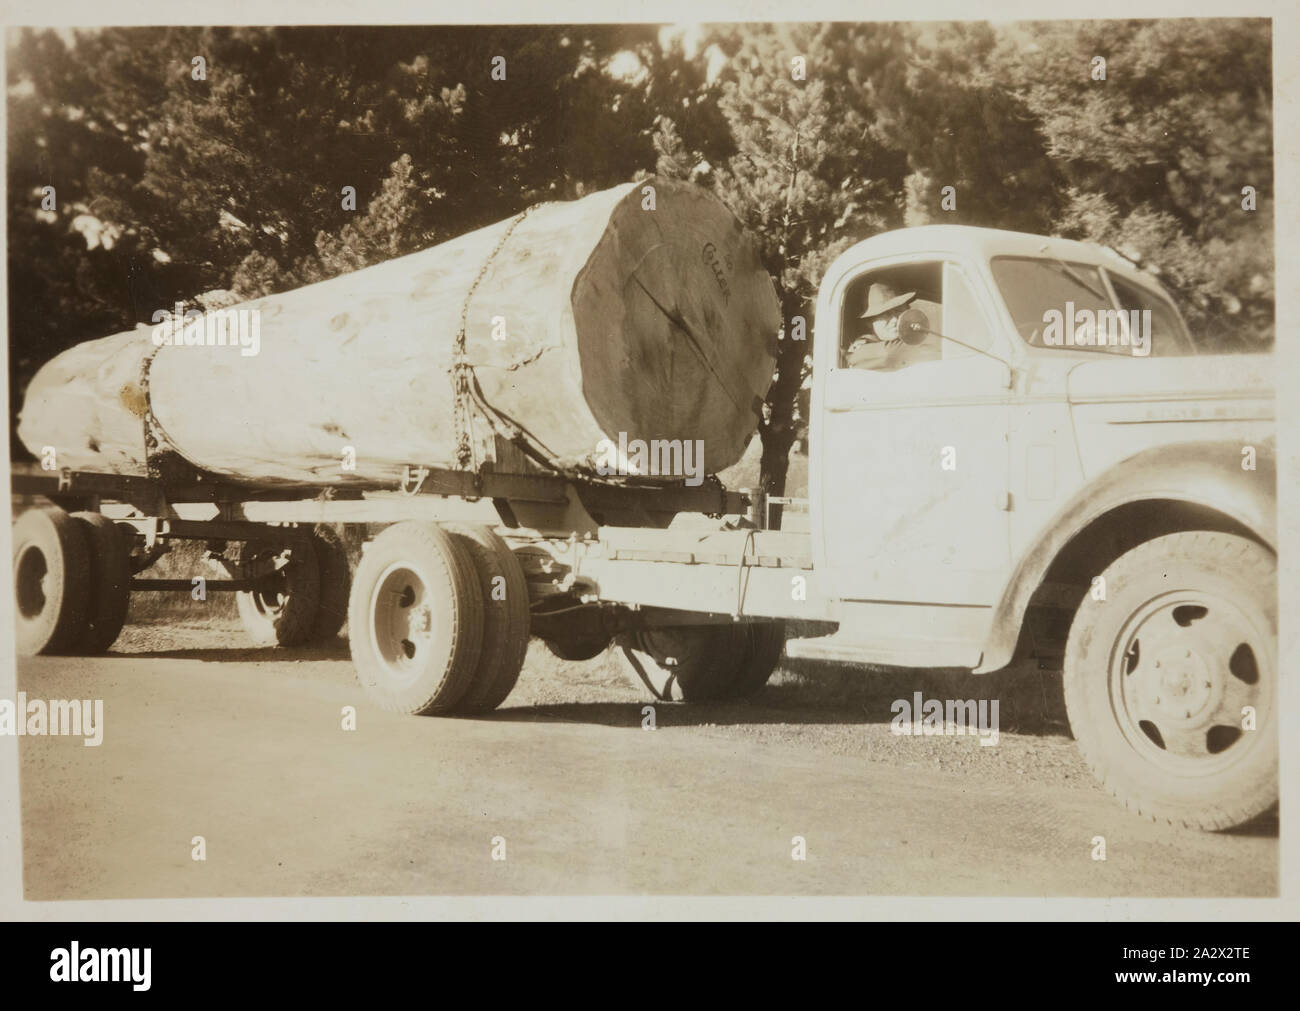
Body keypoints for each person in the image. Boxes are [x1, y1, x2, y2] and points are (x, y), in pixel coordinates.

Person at [846, 282, 918, 370]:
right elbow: (890, 354)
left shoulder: (904, 340)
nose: (895, 320)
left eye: (898, 311)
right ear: (869, 322)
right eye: (885, 314)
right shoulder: (863, 348)